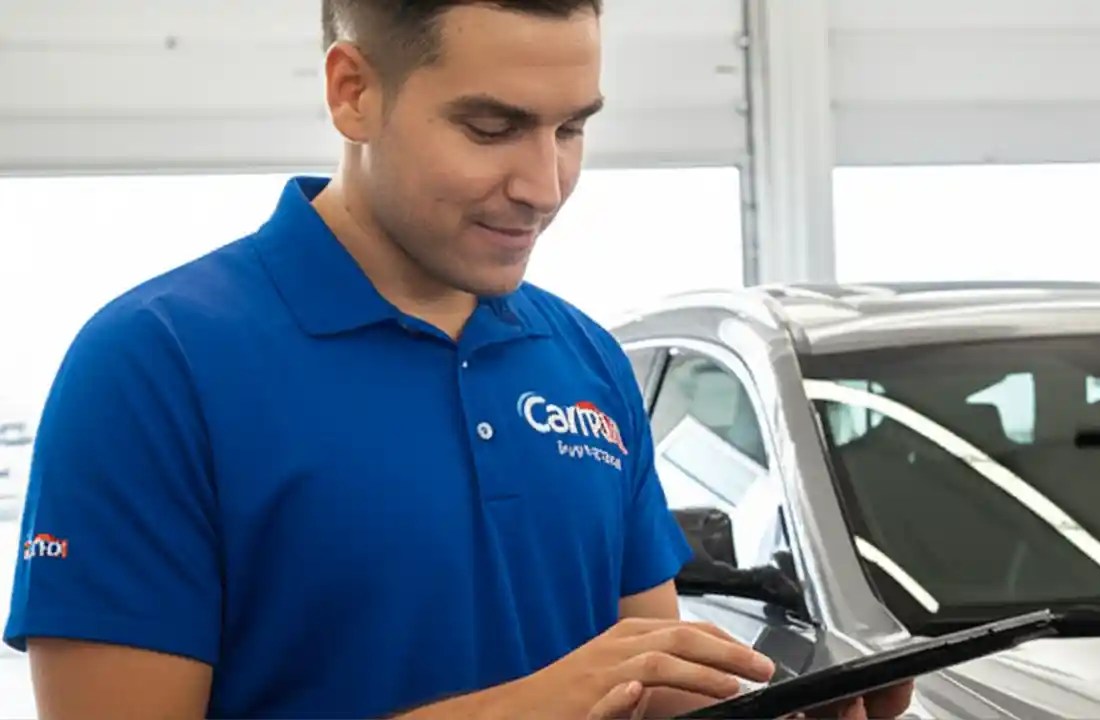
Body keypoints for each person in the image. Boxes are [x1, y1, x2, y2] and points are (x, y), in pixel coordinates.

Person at [3, 2, 914, 718]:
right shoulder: (152, 368)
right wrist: (526, 709)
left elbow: (638, 683)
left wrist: (758, 705)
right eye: (491, 129)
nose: (544, 186)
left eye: (570, 129)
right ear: (353, 90)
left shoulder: (585, 360)